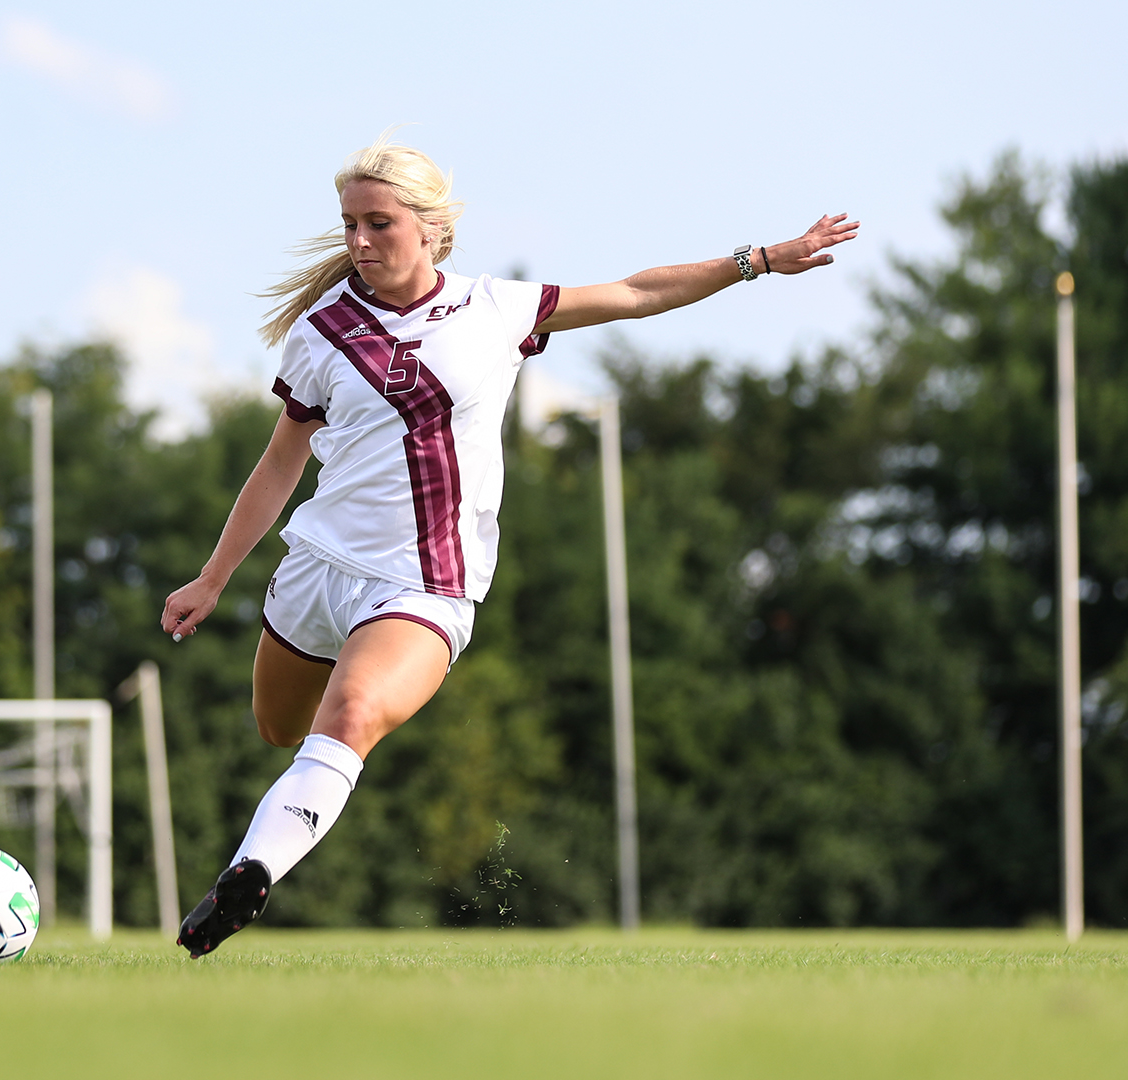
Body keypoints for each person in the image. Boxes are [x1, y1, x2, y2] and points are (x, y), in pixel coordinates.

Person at [162, 134, 857, 957]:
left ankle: (249, 875)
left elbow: (636, 293)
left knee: (350, 717)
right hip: (316, 571)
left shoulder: (495, 308)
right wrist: (213, 578)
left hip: (424, 587)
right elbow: (280, 461)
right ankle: (278, 828)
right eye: (349, 223)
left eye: (378, 223)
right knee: (280, 730)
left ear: (429, 230)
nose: (358, 242)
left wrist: (762, 260)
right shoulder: (321, 332)